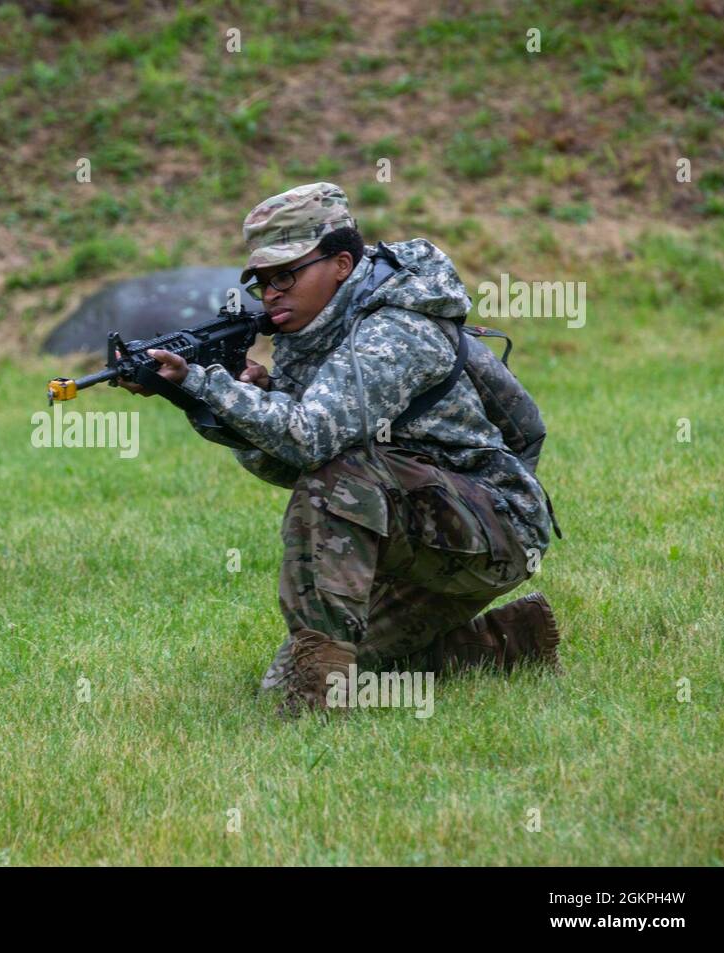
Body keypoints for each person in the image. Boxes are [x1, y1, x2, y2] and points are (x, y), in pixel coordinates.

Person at [118, 182, 561, 714]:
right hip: (417, 535)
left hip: (488, 532)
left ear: (342, 263)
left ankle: (319, 709)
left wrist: (209, 385)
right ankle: (507, 644)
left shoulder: (396, 328)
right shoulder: (316, 334)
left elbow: (310, 441)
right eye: (262, 282)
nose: (273, 293)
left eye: (287, 274)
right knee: (281, 682)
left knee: (337, 486)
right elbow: (288, 465)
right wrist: (210, 402)